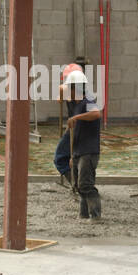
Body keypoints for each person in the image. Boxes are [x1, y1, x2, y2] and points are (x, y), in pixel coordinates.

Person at [63, 70, 103, 219]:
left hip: (89, 152)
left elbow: (96, 114)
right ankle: (84, 215)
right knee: (79, 186)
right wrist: (72, 155)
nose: (68, 91)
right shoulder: (76, 105)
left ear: (76, 88)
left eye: (70, 88)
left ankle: (96, 215)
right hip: (79, 152)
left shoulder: (88, 102)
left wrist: (77, 117)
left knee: (86, 184)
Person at [54, 57, 89, 188]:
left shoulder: (79, 96)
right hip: (75, 128)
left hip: (77, 129)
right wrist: (61, 96)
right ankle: (77, 183)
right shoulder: (81, 94)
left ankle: (76, 184)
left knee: (61, 159)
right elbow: (61, 91)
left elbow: (62, 89)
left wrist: (61, 94)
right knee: (70, 159)